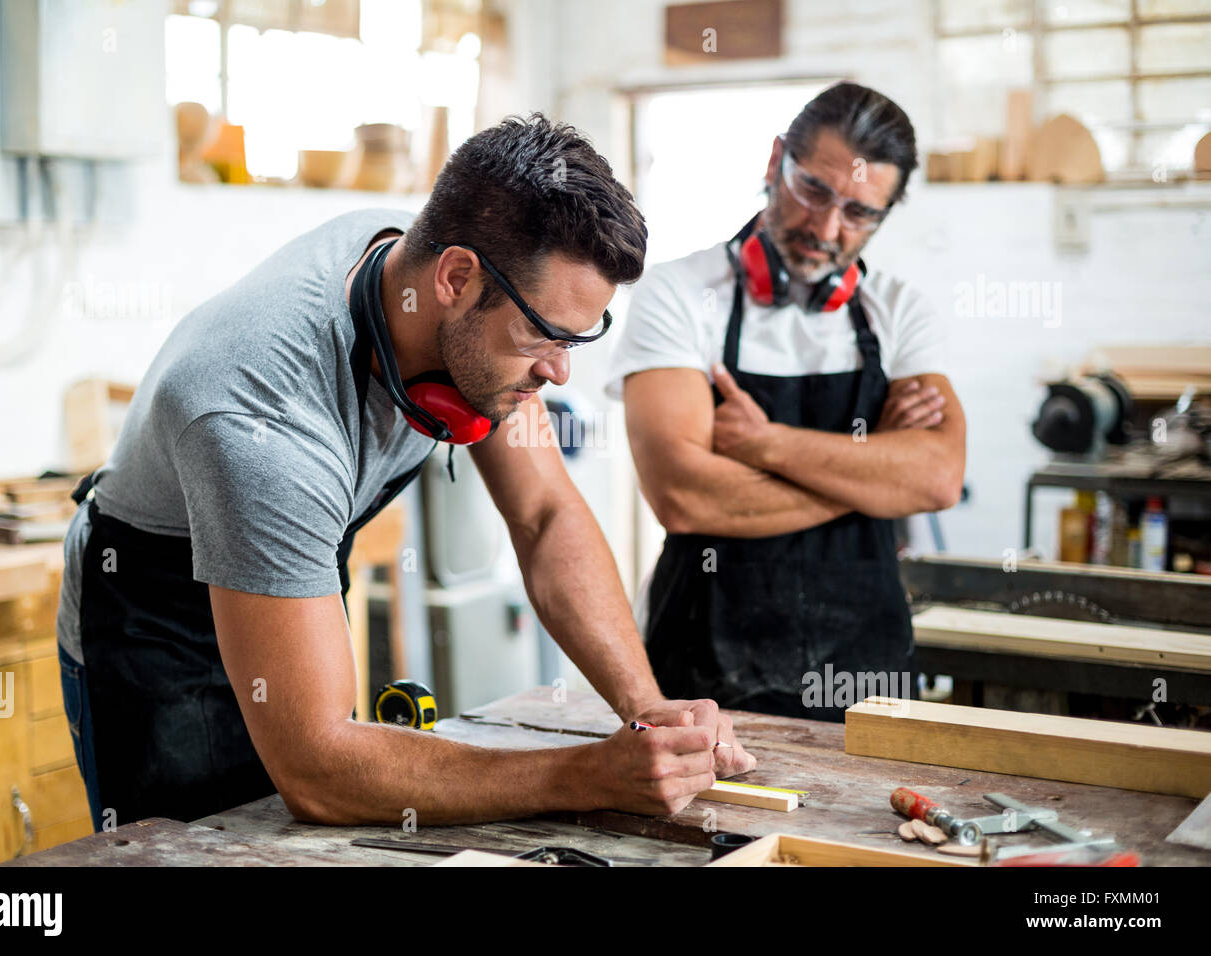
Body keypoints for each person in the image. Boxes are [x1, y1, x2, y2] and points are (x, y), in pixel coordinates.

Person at [55, 113, 756, 829]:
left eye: (580, 336)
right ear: (456, 277)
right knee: (206, 842)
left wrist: (646, 711)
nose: (559, 369)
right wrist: (588, 775)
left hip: (275, 554)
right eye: (546, 334)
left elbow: (545, 515)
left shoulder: (446, 277)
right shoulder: (257, 416)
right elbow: (320, 770)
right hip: (158, 620)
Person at [608, 83, 966, 721]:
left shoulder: (900, 312)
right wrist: (875, 472)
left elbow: (937, 479)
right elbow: (685, 497)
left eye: (859, 212)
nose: (826, 228)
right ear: (777, 162)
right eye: (814, 191)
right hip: (703, 674)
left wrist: (764, 443)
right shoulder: (679, 295)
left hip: (868, 678)